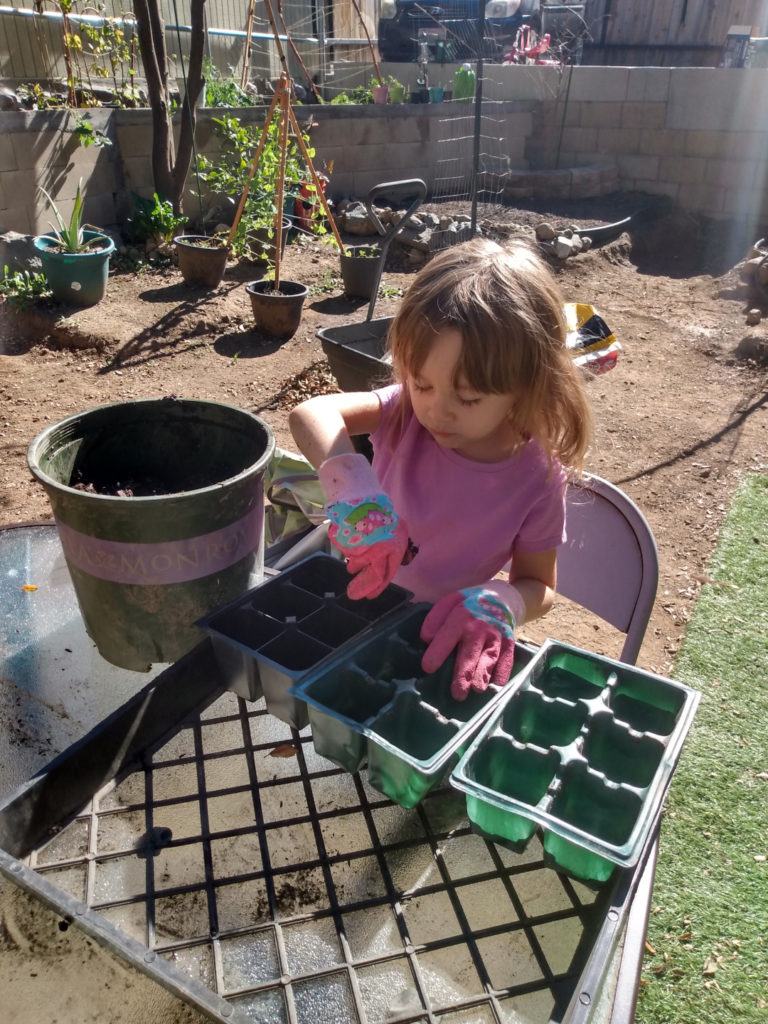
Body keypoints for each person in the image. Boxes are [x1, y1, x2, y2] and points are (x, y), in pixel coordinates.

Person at [289, 237, 593, 700]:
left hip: (438, 635)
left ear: (529, 385)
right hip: (356, 605)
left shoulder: (538, 478)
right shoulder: (404, 411)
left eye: (468, 397)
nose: (437, 411)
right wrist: (354, 491)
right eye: (422, 382)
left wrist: (504, 600)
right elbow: (312, 415)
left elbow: (538, 584)